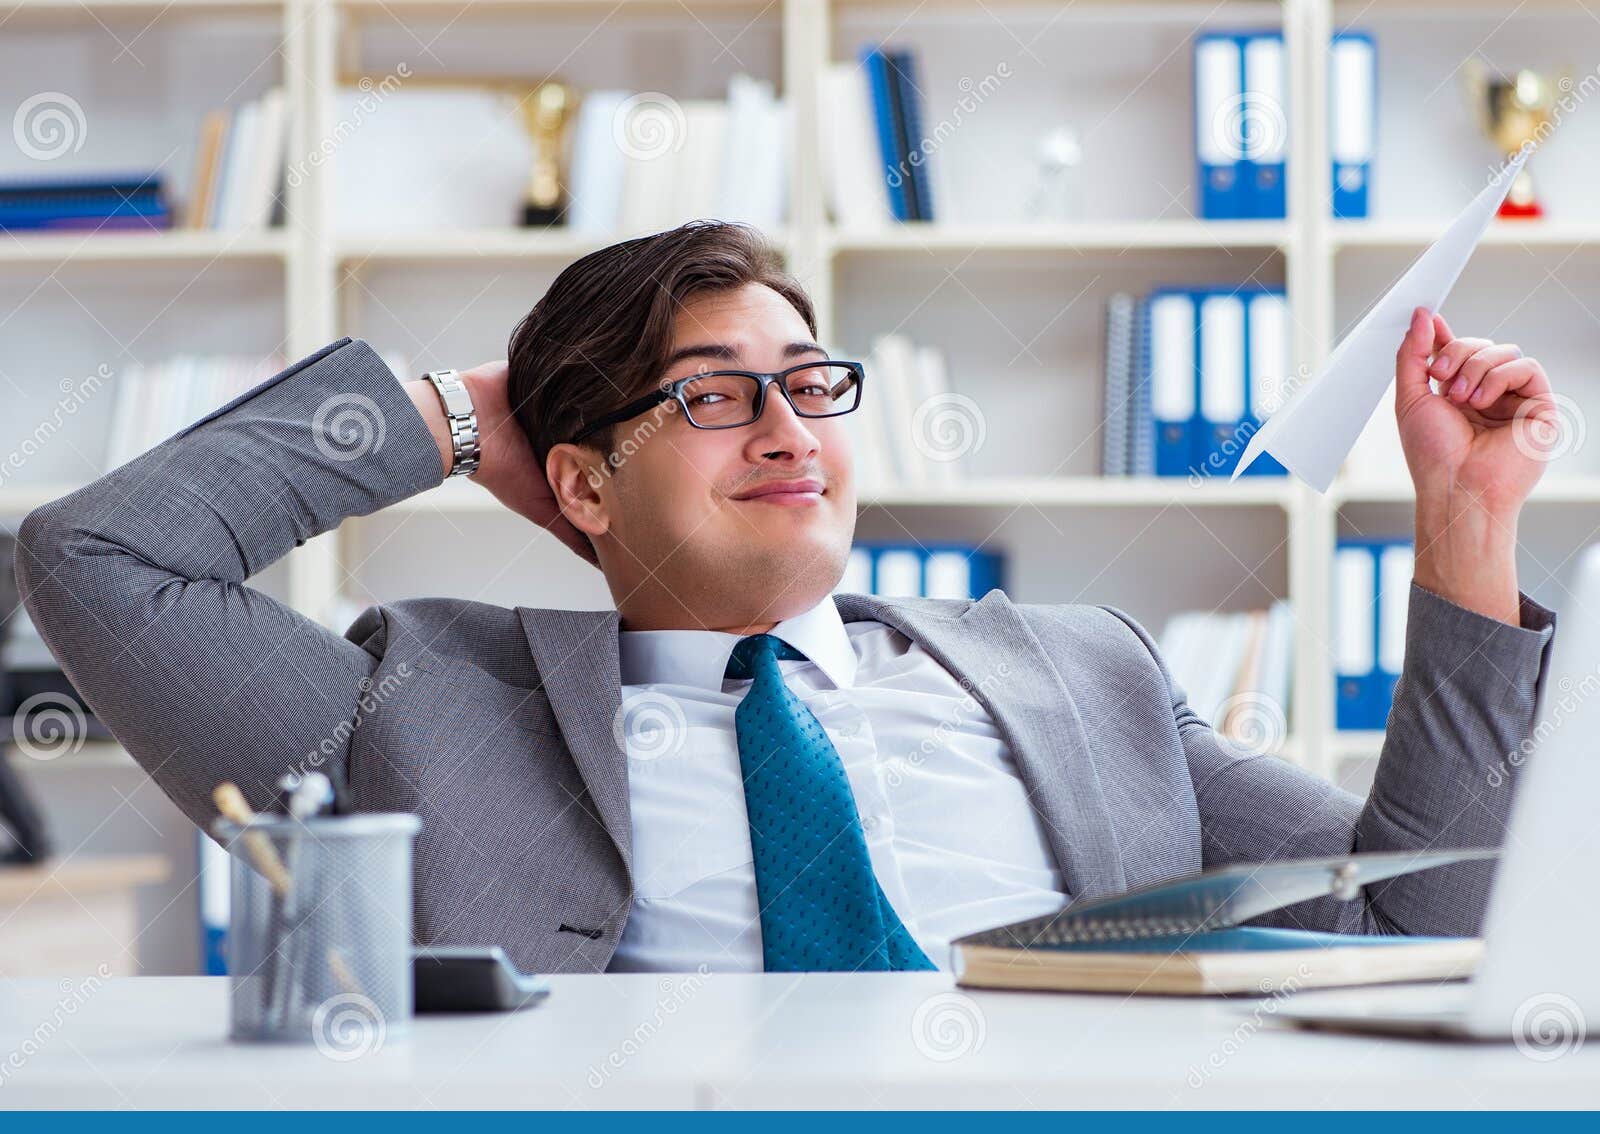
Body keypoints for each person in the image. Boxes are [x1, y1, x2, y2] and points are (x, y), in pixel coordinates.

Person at [16, 221, 1557, 974]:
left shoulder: (1083, 670)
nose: (787, 425)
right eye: (709, 396)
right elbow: (101, 558)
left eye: (811, 382)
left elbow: (1429, 915)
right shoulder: (416, 706)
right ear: (579, 485)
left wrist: (1466, 523)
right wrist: (452, 410)